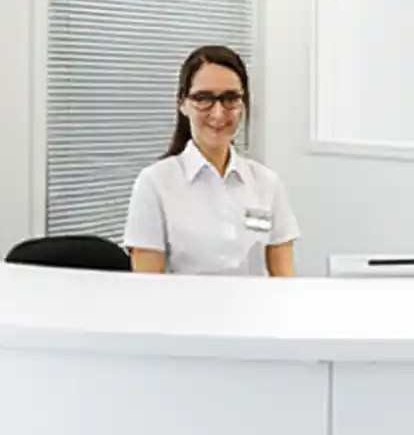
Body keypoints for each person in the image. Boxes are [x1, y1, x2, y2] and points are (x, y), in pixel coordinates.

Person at [123, 45, 299, 275]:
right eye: (203, 98)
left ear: (243, 104)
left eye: (230, 98)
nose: (218, 113)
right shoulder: (155, 184)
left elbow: (284, 283)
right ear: (183, 104)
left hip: (255, 310)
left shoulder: (267, 184)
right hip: (183, 310)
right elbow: (147, 290)